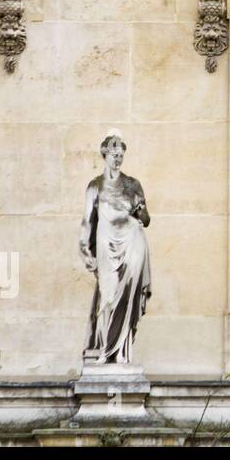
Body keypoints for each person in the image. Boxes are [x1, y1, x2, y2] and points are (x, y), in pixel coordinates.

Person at [79, 131, 152, 365]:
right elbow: (88, 221)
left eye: (121, 154)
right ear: (105, 155)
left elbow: (146, 219)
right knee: (108, 296)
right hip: (105, 244)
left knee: (128, 293)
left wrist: (140, 209)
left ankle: (122, 351)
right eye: (113, 154)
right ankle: (105, 349)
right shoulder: (95, 186)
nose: (118, 159)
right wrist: (86, 251)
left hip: (131, 240)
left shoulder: (132, 184)